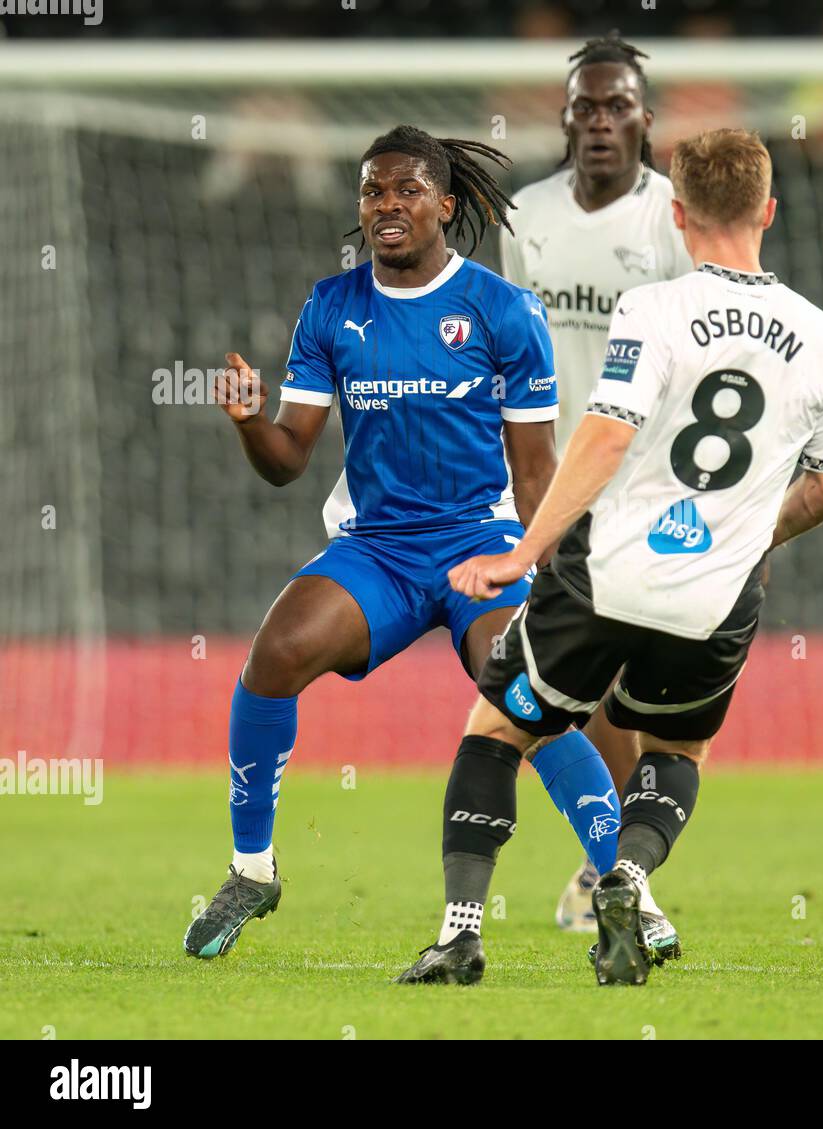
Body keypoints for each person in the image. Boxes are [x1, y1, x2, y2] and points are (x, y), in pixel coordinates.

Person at [395, 128, 823, 986]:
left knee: (497, 729)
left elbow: (606, 435)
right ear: (770, 211)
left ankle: (461, 935)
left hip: (605, 576)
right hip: (717, 598)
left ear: (677, 215)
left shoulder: (653, 309)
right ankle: (629, 880)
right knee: (673, 755)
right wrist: (751, 535)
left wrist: (521, 553)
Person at [184, 126, 619, 961]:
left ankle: (622, 884)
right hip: (378, 548)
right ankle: (252, 869)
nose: (387, 205)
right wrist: (248, 420)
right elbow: (288, 461)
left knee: (527, 691)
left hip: (480, 539)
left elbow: (535, 472)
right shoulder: (333, 306)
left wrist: (552, 564)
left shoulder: (503, 309)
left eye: (407, 190)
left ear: (445, 206)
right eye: (373, 192)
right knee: (273, 656)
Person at [500, 33, 693, 950]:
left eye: (621, 106)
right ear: (566, 116)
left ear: (646, 122)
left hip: (649, 489)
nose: (603, 120)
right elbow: (505, 354)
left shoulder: (674, 223)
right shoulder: (523, 218)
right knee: (540, 692)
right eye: (588, 105)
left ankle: (616, 861)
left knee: (614, 700)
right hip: (547, 490)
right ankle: (614, 862)